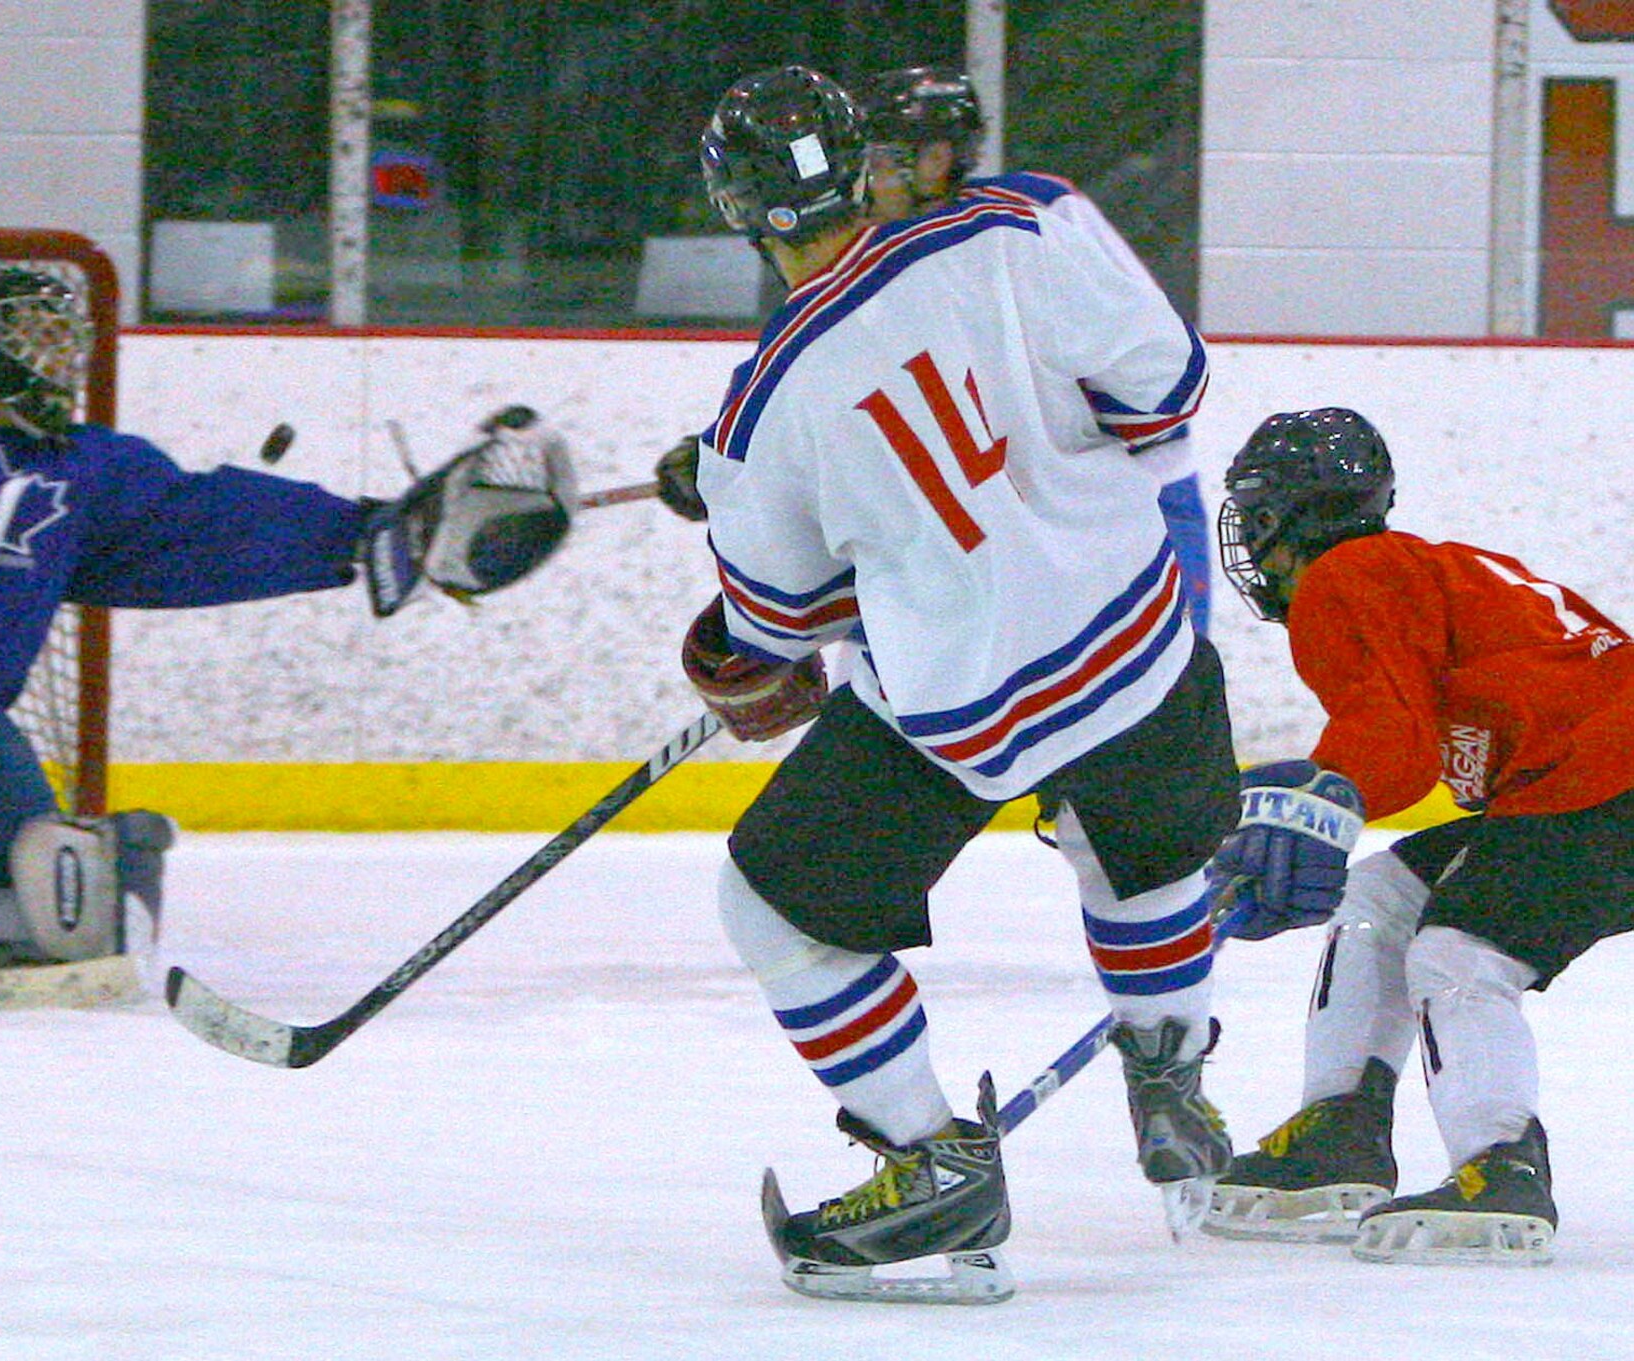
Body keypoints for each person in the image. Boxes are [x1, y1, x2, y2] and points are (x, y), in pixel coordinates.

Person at [684, 66, 1236, 1304]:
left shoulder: (760, 405)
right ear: (861, 155)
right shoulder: (1020, 222)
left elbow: (781, 620)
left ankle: (927, 1159)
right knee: (1137, 853)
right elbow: (1164, 390)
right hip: (1138, 639)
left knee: (770, 907)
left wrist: (735, 600)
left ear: (735, 205)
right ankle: (1168, 1066)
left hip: (966, 708)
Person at [0, 267, 573, 1001]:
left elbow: (204, 519)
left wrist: (371, 529)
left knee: (68, 923)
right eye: (38, 334)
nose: (62, 355)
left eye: (72, 339)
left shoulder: (88, 470)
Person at [1198, 407, 1634, 1265]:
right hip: (1584, 777)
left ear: (1289, 519)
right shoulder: (1418, 568)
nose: (1253, 544)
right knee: (1382, 896)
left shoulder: (1344, 576)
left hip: (1607, 777)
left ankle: (1502, 1166)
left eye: (1257, 519)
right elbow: (1411, 751)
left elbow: (1388, 743)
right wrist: (1316, 801)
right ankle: (1341, 1129)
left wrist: (1317, 800)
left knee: (1461, 952)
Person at [656, 64, 1216, 638]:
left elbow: (1145, 366)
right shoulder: (875, 262)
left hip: (1133, 512)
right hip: (980, 546)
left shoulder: (1027, 219)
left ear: (936, 161)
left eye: (880, 159)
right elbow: (848, 390)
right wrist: (737, 468)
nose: (864, 178)